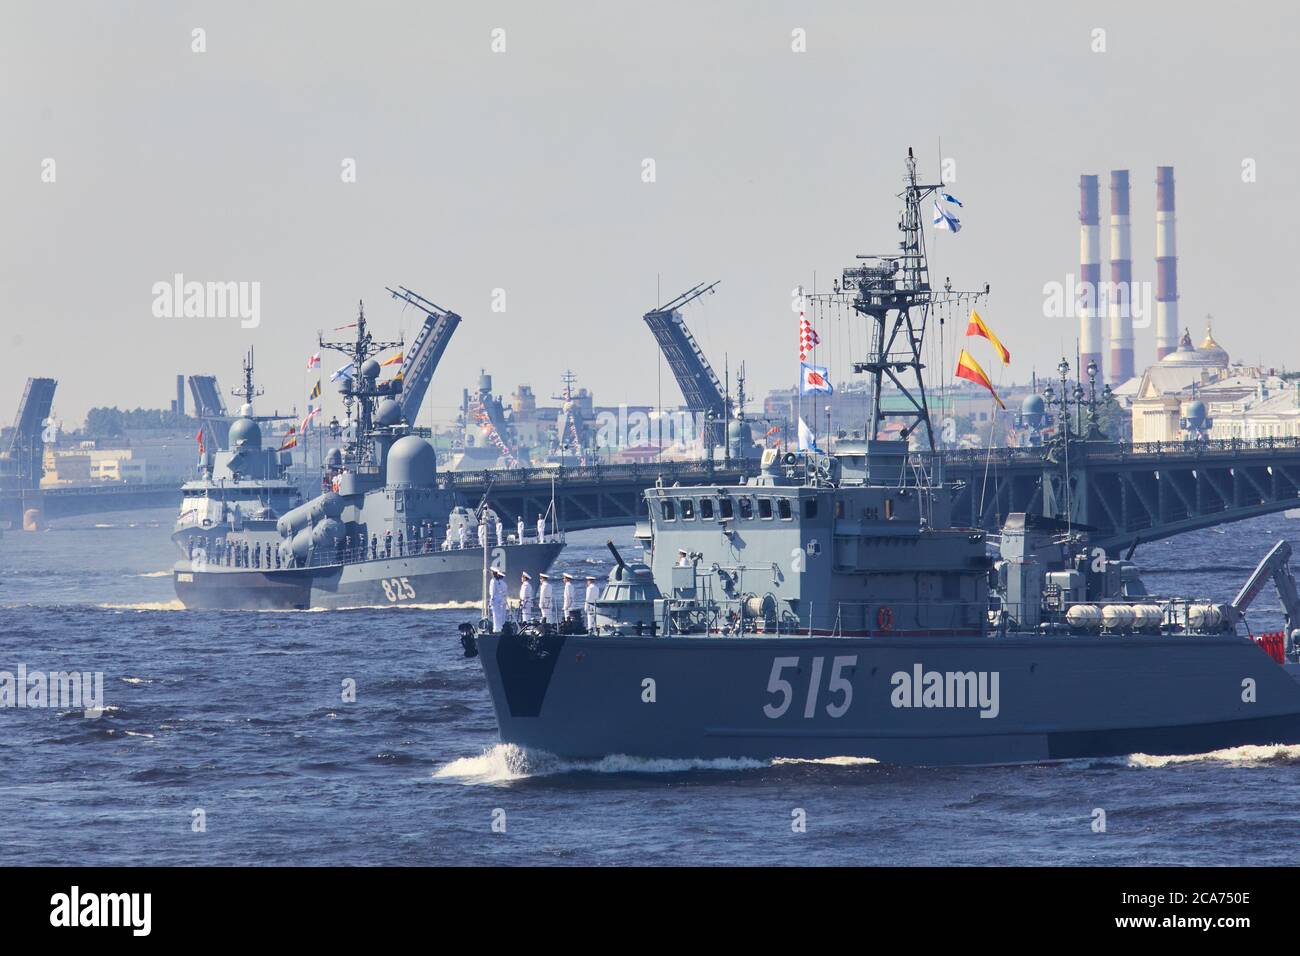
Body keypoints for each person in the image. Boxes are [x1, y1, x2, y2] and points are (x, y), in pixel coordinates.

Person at [489, 568, 508, 632]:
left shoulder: (493, 581)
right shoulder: (499, 582)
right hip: (500, 599)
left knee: (495, 615)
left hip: (495, 599)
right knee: (499, 614)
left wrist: (491, 600)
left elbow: (492, 591)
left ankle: (496, 629)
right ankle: (499, 627)